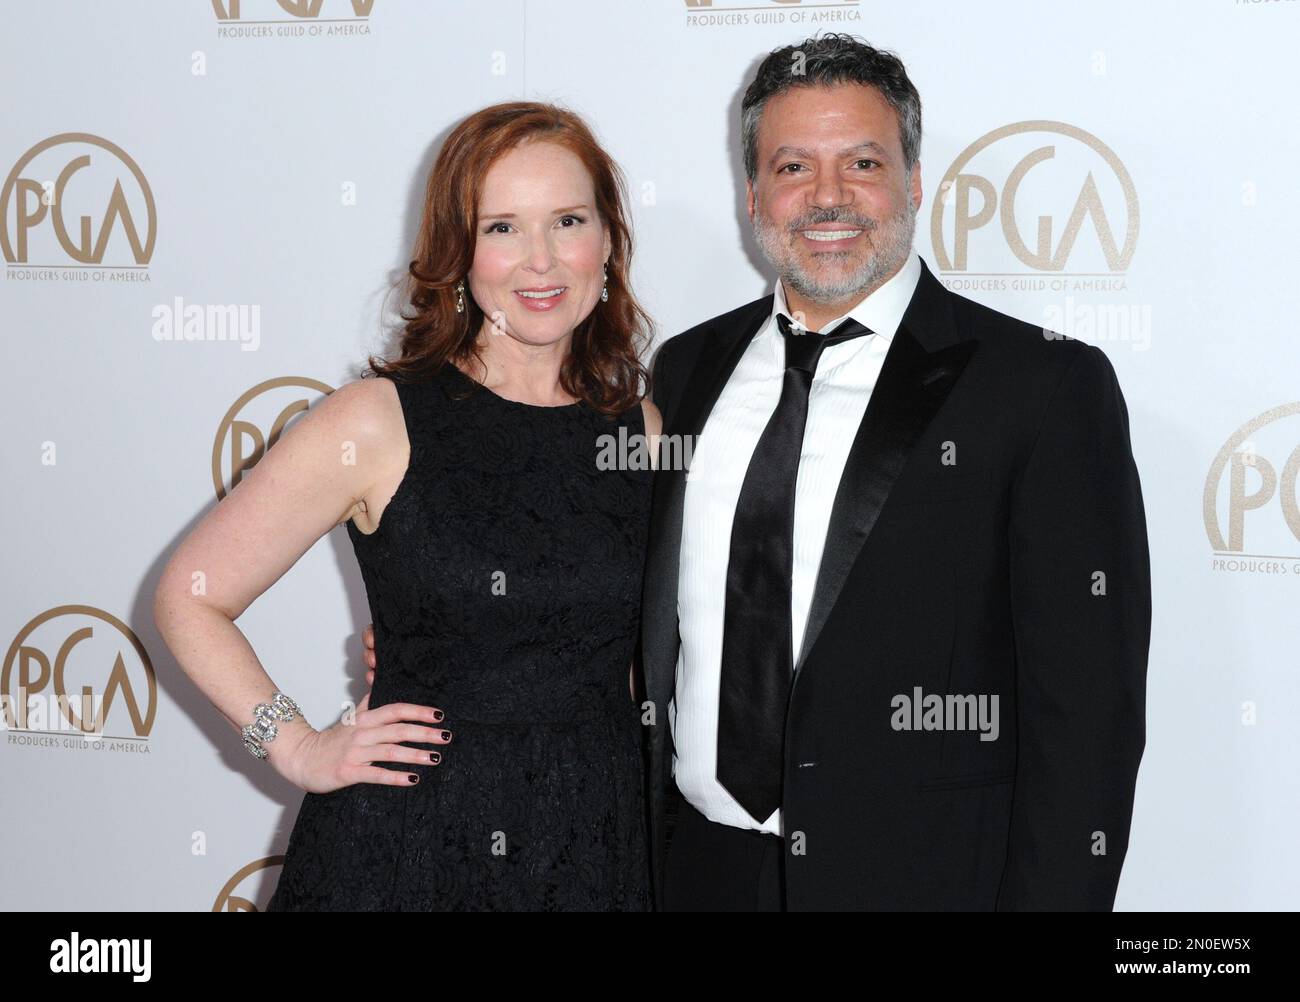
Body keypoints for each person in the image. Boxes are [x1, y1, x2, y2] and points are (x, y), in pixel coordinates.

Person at [637, 34, 1151, 910]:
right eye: (793, 165)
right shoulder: (687, 370)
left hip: (929, 884)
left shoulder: (1042, 386)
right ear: (752, 192)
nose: (827, 196)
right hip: (698, 878)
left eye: (863, 162)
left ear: (914, 183)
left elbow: (1088, 726)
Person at [153, 101, 661, 911]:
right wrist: (293, 747)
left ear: (607, 240)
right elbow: (190, 596)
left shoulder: (641, 427)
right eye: (501, 228)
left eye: (567, 219)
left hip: (600, 840)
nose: (540, 260)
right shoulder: (378, 419)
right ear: (457, 254)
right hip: (411, 847)